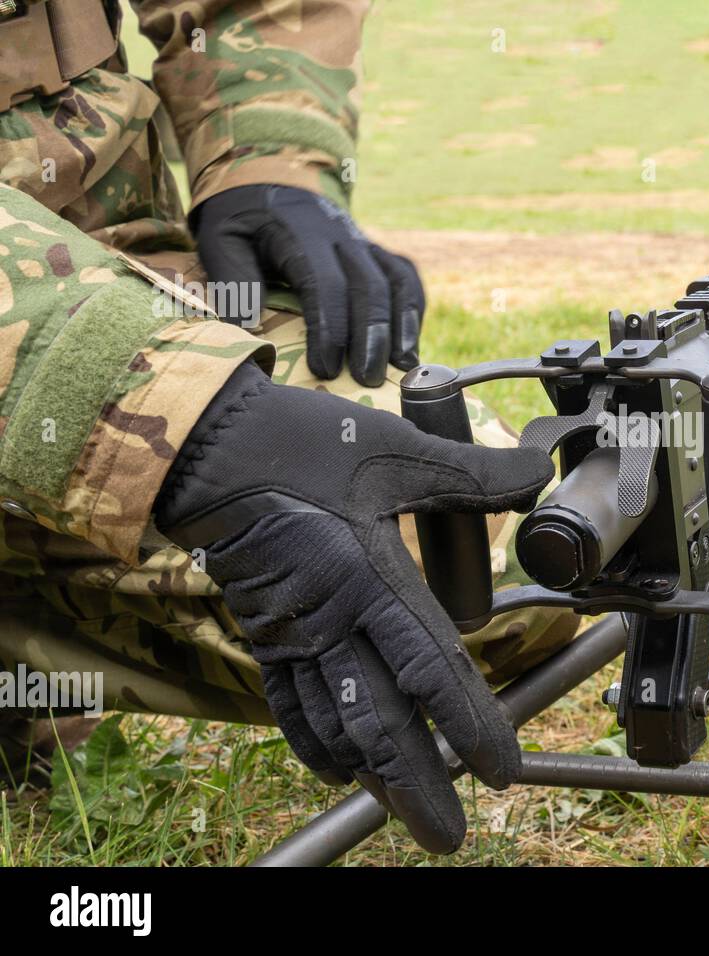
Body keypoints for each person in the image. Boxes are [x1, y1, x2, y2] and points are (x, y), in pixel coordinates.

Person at [0, 0, 577, 853]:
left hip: (94, 264)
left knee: (465, 554)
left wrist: (265, 156)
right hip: (57, 327)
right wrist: (181, 425)